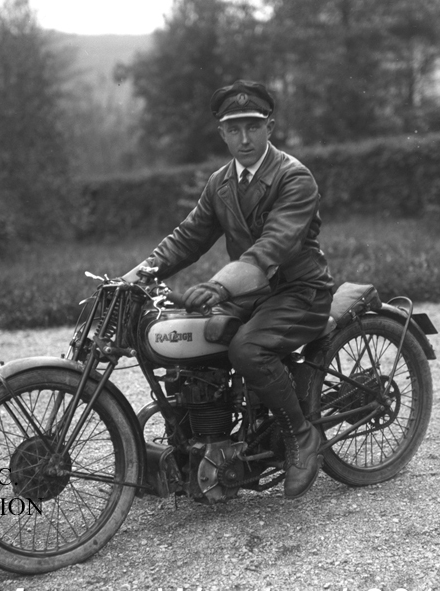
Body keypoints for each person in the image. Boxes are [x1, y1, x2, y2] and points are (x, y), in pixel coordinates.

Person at [124, 80, 333, 499]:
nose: (244, 139)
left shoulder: (294, 178)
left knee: (248, 349)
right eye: (234, 129)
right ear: (222, 133)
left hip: (299, 291)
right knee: (198, 335)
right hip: (251, 295)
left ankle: (301, 435)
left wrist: (219, 286)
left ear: (269, 127)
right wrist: (133, 278)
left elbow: (271, 248)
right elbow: (187, 238)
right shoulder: (220, 183)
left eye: (253, 127)